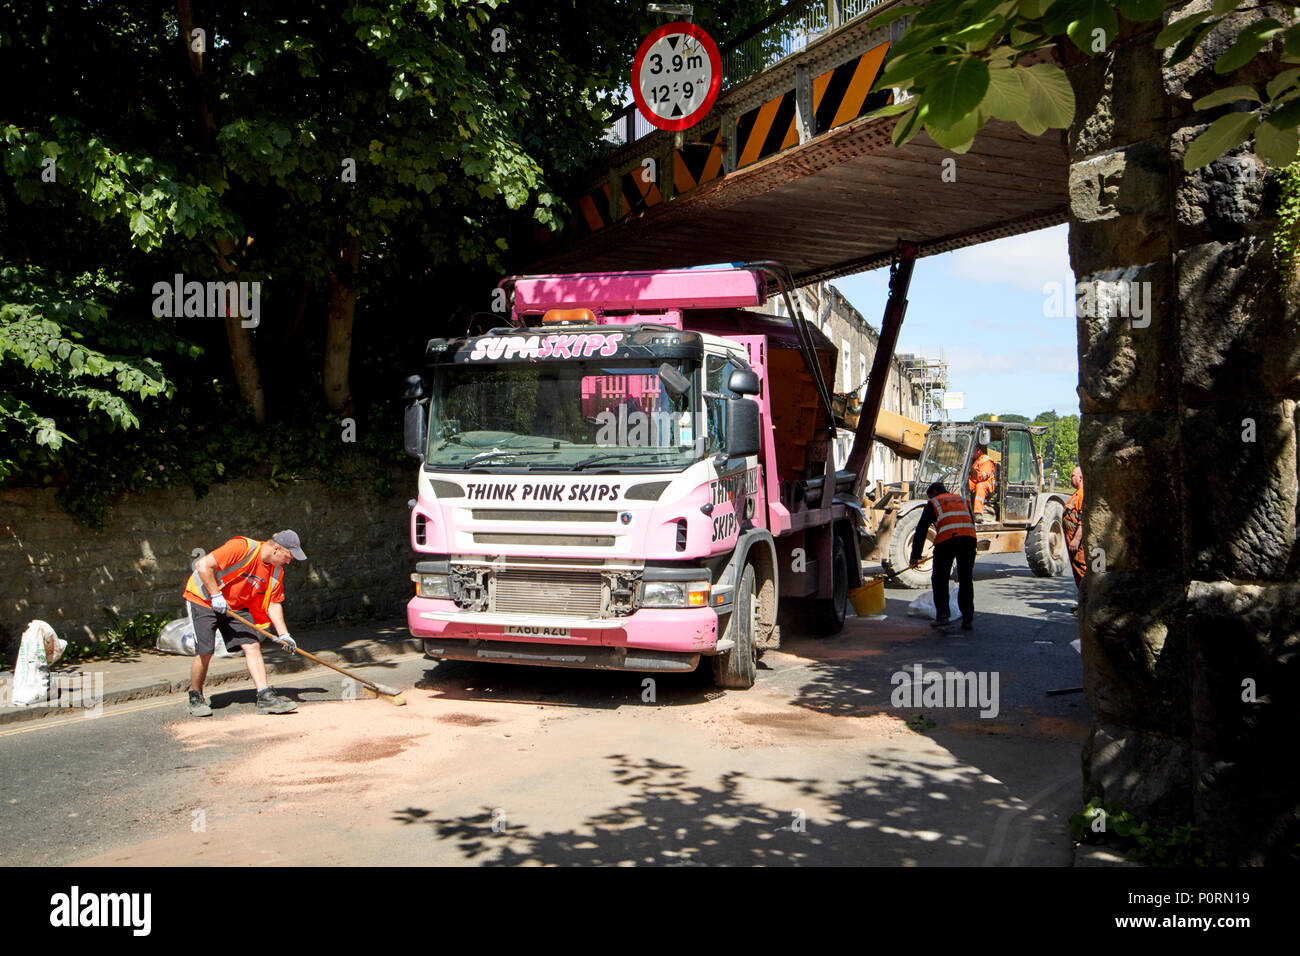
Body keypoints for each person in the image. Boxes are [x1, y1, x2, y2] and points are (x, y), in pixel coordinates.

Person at [182, 530, 307, 716]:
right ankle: (195, 696)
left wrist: (284, 635)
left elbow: (273, 603)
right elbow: (202, 565)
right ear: (276, 548)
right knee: (206, 650)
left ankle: (265, 697)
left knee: (253, 645)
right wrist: (216, 596)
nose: (289, 561)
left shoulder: (276, 571)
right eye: (288, 556)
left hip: (235, 606)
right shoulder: (243, 547)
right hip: (204, 599)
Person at [910, 482, 977, 630]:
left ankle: (943, 616)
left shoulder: (934, 502)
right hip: (969, 539)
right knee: (966, 579)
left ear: (934, 492)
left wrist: (915, 556)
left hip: (947, 541)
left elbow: (921, 529)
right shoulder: (962, 500)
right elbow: (971, 522)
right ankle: (967, 619)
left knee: (940, 578)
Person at [1063, 466, 1086, 608]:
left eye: (1073, 475)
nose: (1071, 478)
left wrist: (1076, 539)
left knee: (1082, 571)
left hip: (1078, 544)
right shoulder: (1077, 493)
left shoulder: (1083, 495)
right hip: (1071, 540)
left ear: (1080, 478)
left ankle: (1088, 604)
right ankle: (1083, 604)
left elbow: (1084, 520)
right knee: (1077, 572)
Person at [968, 443, 997, 522]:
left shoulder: (986, 460)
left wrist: (973, 471)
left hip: (987, 485)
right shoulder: (976, 460)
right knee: (965, 485)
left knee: (980, 486)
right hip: (977, 482)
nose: (970, 453)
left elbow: (983, 477)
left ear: (978, 451)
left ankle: (978, 513)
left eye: (972, 451)